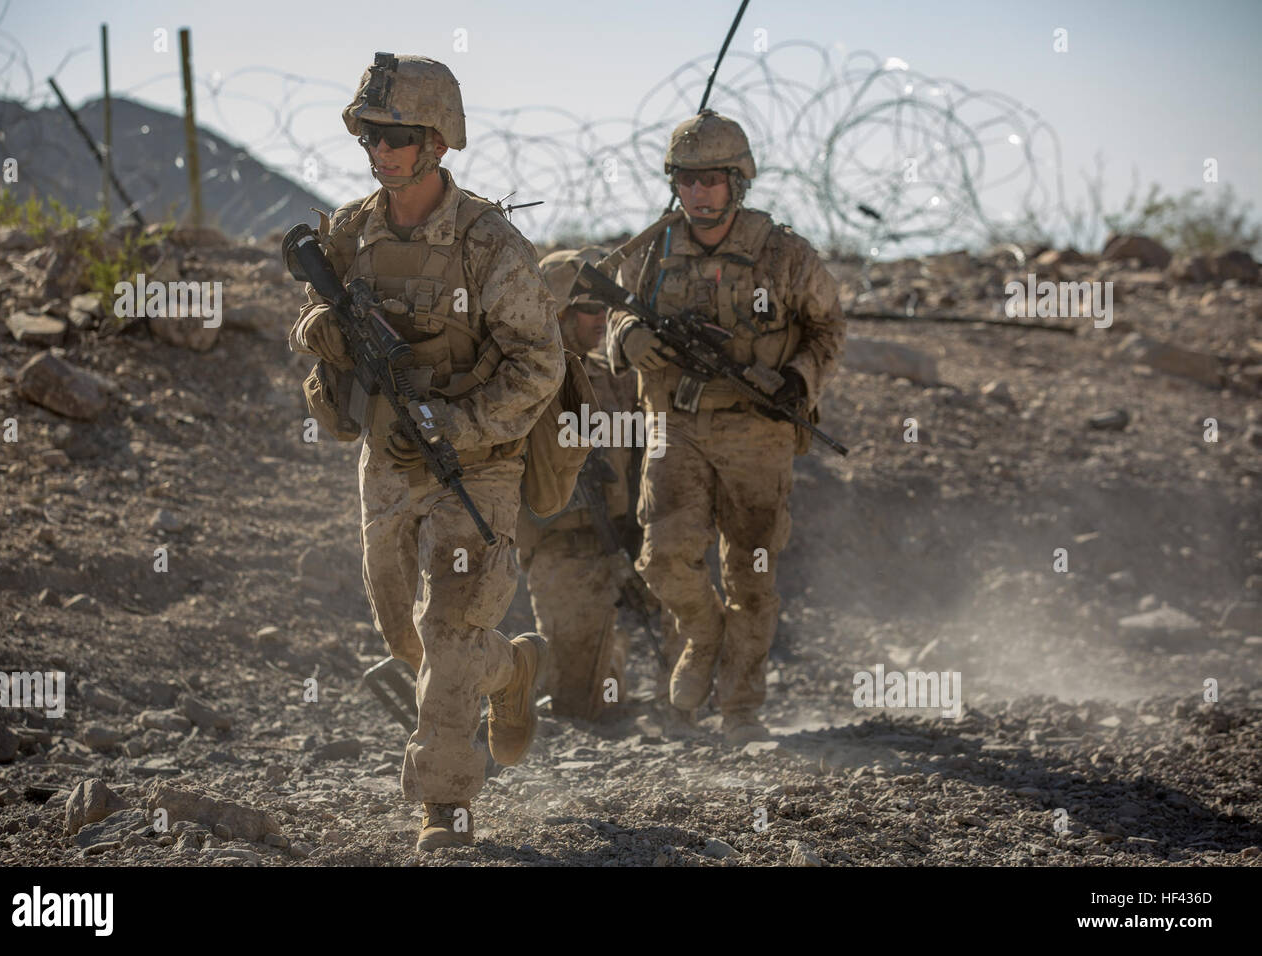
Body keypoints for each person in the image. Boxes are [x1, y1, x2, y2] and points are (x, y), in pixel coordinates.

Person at [288, 54, 564, 850]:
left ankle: (445, 806)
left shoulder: (488, 243)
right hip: (387, 459)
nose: (382, 150)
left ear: (438, 142)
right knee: (402, 633)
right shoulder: (348, 231)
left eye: (398, 136)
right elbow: (312, 322)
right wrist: (324, 331)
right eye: (371, 133)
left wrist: (462, 425)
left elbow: (539, 366)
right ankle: (510, 670)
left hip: (475, 461)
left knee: (445, 635)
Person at [604, 109, 847, 745]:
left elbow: (828, 330)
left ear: (738, 182)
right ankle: (704, 636)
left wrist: (795, 382)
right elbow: (610, 316)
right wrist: (628, 338)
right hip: (675, 425)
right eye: (685, 180)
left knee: (751, 572)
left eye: (712, 180)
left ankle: (741, 706)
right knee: (662, 561)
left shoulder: (784, 255)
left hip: (757, 431)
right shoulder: (653, 250)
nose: (698, 194)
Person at [516, 248, 637, 722]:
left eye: (605, 309)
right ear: (559, 311)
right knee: (576, 698)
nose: (600, 320)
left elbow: (643, 450)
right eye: (589, 308)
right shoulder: (527, 377)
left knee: (607, 688)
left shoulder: (614, 379)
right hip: (558, 545)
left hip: (612, 543)